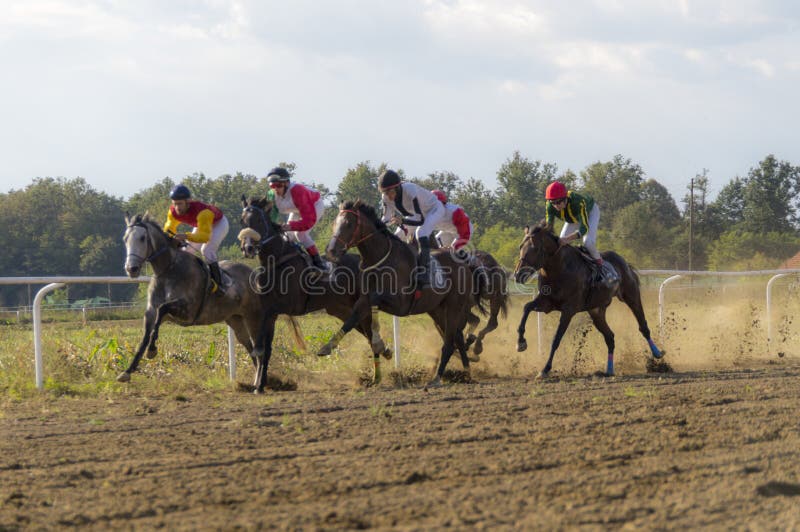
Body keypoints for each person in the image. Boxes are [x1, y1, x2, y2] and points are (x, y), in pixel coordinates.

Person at [379, 169, 445, 286]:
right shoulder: (385, 198)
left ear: (398, 188)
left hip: (433, 210)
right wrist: (376, 226)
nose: (388, 196)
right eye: (385, 192)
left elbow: (420, 220)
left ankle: (425, 272)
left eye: (390, 191)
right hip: (414, 216)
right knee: (397, 237)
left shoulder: (410, 189)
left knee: (421, 232)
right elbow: (386, 219)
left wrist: (402, 220)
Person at [544, 181, 615, 286]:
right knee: (559, 244)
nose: (556, 206)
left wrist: (568, 239)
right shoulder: (550, 206)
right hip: (572, 218)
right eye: (552, 202)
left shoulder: (578, 202)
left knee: (588, 242)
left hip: (590, 213)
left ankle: (604, 269)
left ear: (565, 199)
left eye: (558, 202)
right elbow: (548, 227)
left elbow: (584, 229)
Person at [163, 184, 229, 293]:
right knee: (188, 251)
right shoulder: (173, 211)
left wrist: (185, 236)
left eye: (180, 204)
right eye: (175, 204)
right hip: (201, 225)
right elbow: (168, 229)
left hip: (218, 224)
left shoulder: (203, 212)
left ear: (188, 202)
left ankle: (219, 284)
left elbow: (204, 237)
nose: (177, 207)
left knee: (207, 250)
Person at [266, 167, 327, 272]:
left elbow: (308, 221)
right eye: (272, 186)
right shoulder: (271, 195)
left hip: (314, 205)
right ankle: (297, 258)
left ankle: (319, 262)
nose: (275, 189)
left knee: (300, 234)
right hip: (297, 208)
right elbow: (272, 217)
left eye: (279, 185)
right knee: (288, 237)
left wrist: (291, 226)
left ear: (286, 184)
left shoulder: (298, 191)